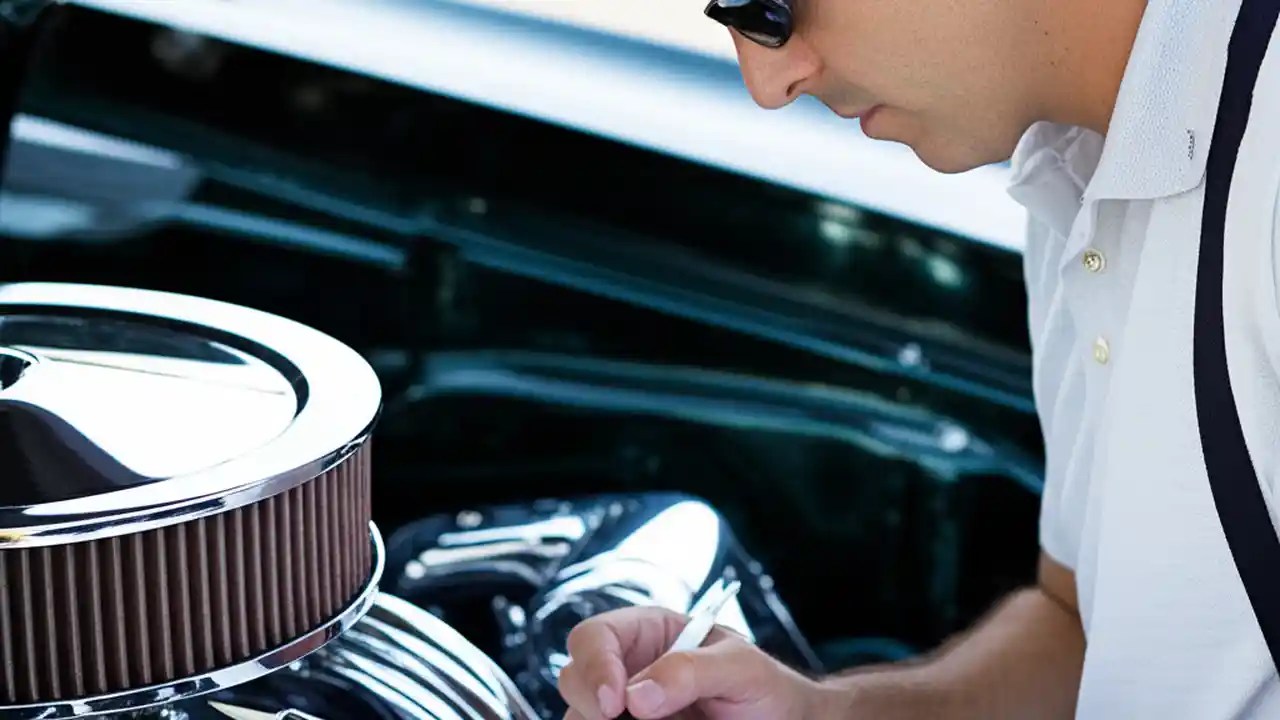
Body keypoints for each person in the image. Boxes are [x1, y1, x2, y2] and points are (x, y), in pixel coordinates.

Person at [556, 0, 1280, 717]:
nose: (769, 82)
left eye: (774, 8)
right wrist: (824, 715)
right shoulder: (1082, 156)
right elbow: (1087, 628)